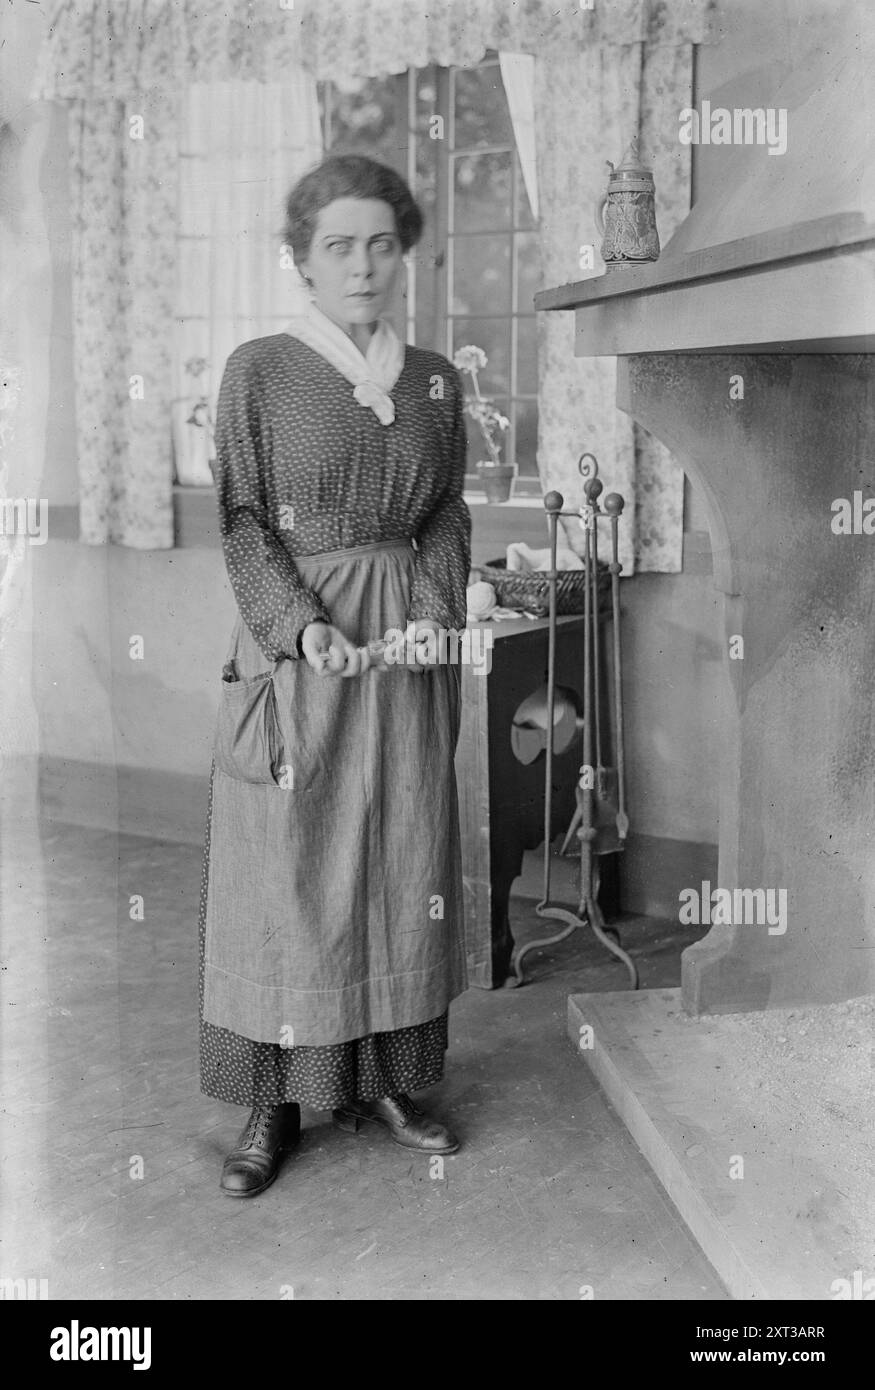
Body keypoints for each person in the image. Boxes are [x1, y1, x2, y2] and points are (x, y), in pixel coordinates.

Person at [198, 154, 472, 1197]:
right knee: (288, 867)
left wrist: (434, 610)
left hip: (401, 650)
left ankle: (393, 1080)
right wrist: (298, 627)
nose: (362, 265)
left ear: (402, 252)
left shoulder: (436, 378)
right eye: (338, 246)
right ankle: (273, 1102)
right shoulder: (258, 370)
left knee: (403, 855)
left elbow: (443, 510)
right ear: (301, 260)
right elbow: (241, 521)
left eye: (380, 244)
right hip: (299, 653)